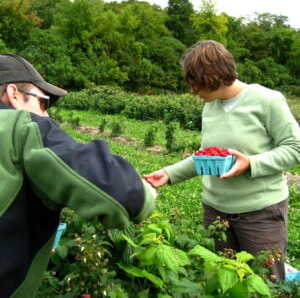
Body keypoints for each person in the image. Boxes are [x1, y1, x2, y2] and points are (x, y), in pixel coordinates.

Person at [0, 54, 156, 297]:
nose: (46, 114)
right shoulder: (21, 126)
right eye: (43, 102)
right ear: (14, 94)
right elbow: (125, 194)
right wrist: (146, 193)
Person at [144, 40, 300, 282]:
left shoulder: (267, 100)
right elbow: (209, 156)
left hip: (259, 214)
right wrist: (169, 173)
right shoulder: (211, 106)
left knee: (266, 283)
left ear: (213, 76)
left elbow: (294, 148)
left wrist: (251, 163)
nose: (193, 90)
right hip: (215, 212)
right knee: (222, 281)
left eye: (195, 83)